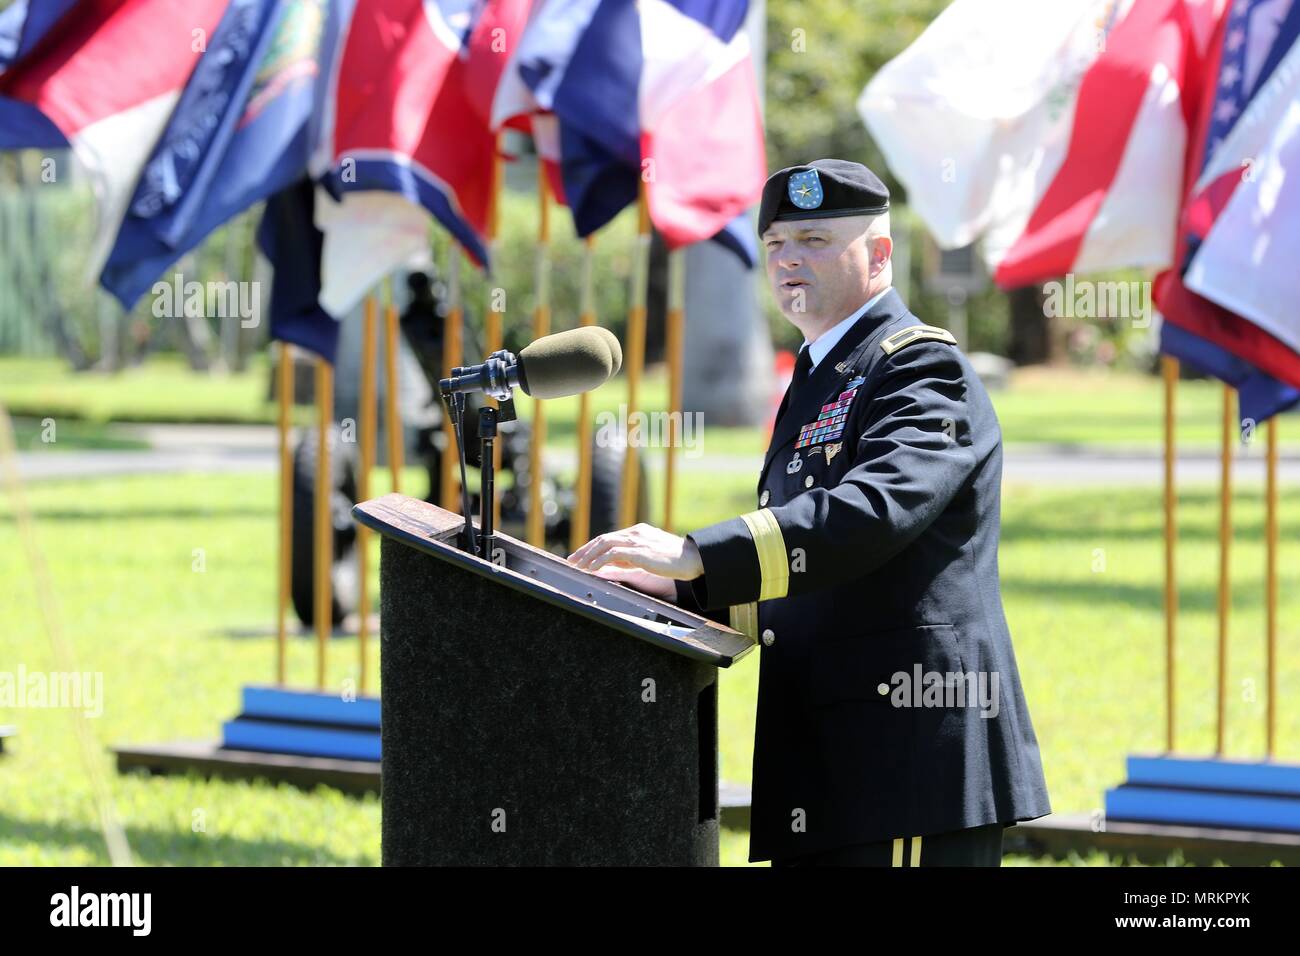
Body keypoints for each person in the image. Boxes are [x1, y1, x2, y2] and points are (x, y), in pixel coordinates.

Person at [568, 158, 1051, 867]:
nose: (790, 259)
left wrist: (701, 551)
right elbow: (813, 571)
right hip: (834, 753)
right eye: (776, 246)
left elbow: (874, 512)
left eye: (816, 241)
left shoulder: (919, 367)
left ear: (879, 253)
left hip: (908, 751)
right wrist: (680, 594)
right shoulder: (822, 374)